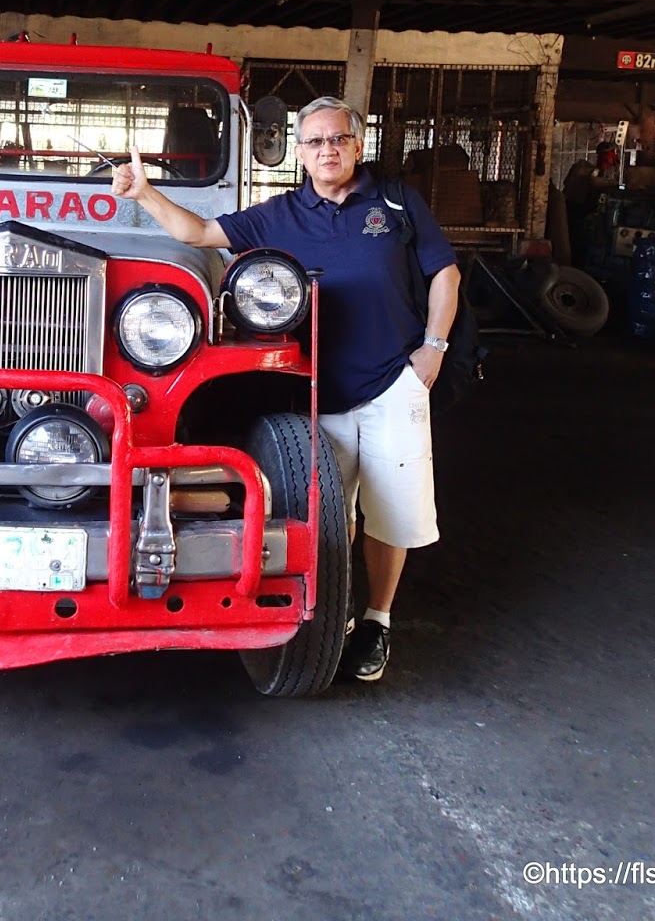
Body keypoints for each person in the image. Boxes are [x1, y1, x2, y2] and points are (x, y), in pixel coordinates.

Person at [110, 96, 460, 683]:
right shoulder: (279, 215)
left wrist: (434, 350)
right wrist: (144, 192)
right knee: (329, 512)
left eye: (339, 139)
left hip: (390, 381)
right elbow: (196, 231)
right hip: (313, 392)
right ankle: (340, 609)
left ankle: (378, 618)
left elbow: (444, 274)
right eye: (316, 141)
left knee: (391, 515)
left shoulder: (397, 204)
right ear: (298, 153)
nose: (328, 150)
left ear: (357, 144)